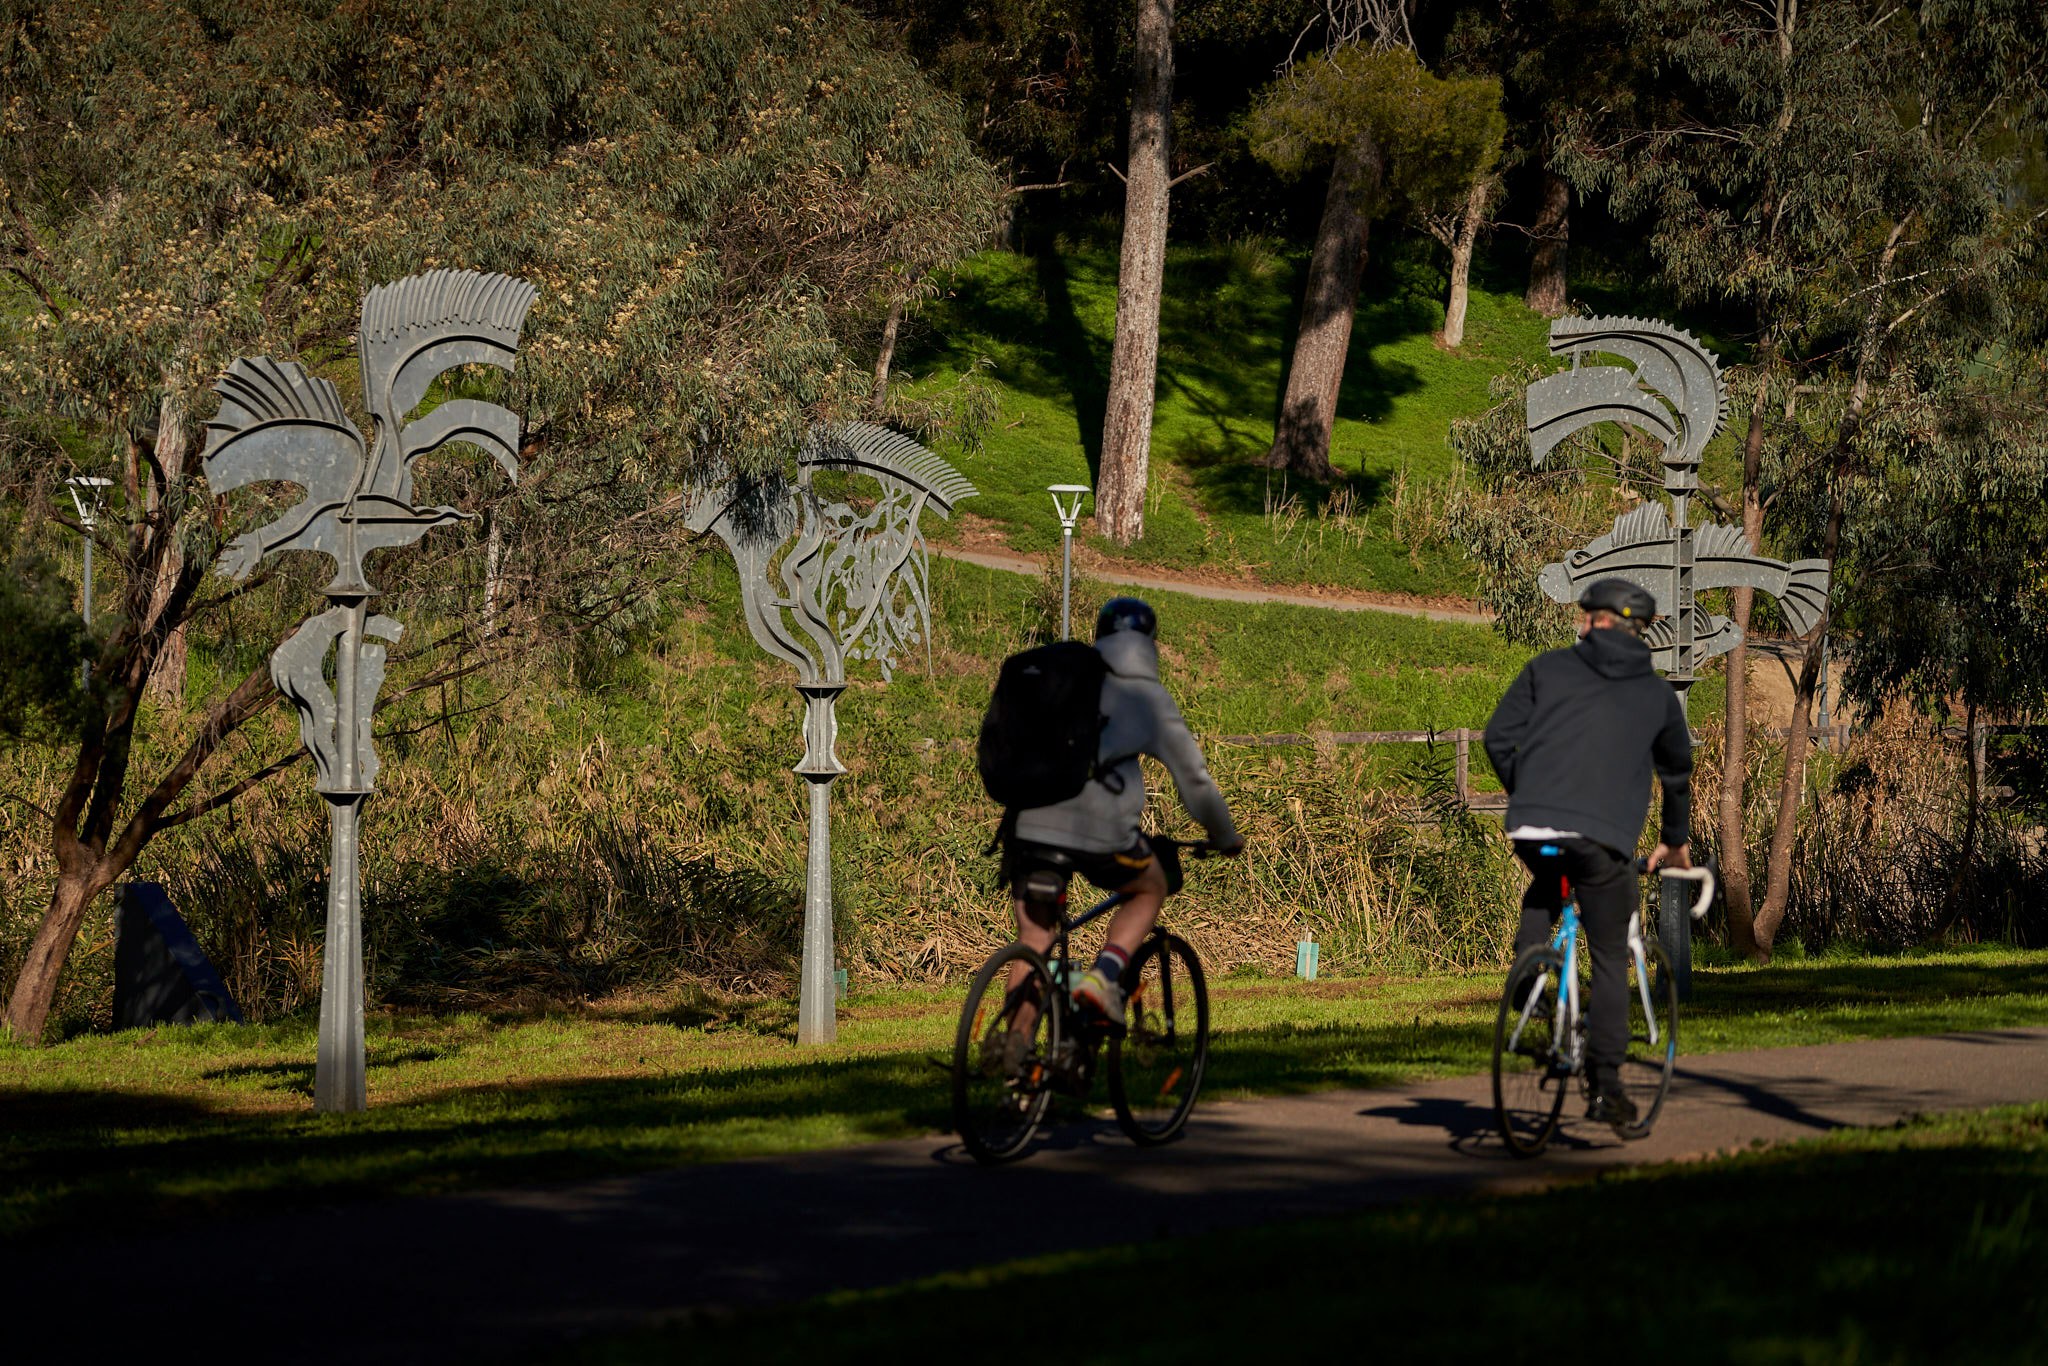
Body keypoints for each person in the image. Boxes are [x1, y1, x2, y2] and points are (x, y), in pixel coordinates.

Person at [1482, 577, 1693, 1131]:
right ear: (1638, 630)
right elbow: (1676, 773)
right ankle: (1605, 1084)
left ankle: (1528, 972)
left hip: (1531, 826)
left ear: (1594, 621)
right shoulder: (1656, 696)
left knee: (1547, 882)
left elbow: (1497, 737)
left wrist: (1526, 793)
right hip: (1602, 840)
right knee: (1608, 953)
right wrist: (1673, 839)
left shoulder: (1547, 668)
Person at [1003, 597, 1243, 1027]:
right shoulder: (1147, 697)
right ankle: (1102, 978)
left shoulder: (1064, 679)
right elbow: (1195, 783)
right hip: (1099, 830)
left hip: (1027, 826)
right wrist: (1224, 835)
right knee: (1150, 887)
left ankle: (1013, 1048)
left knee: (1035, 937)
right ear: (1150, 644)